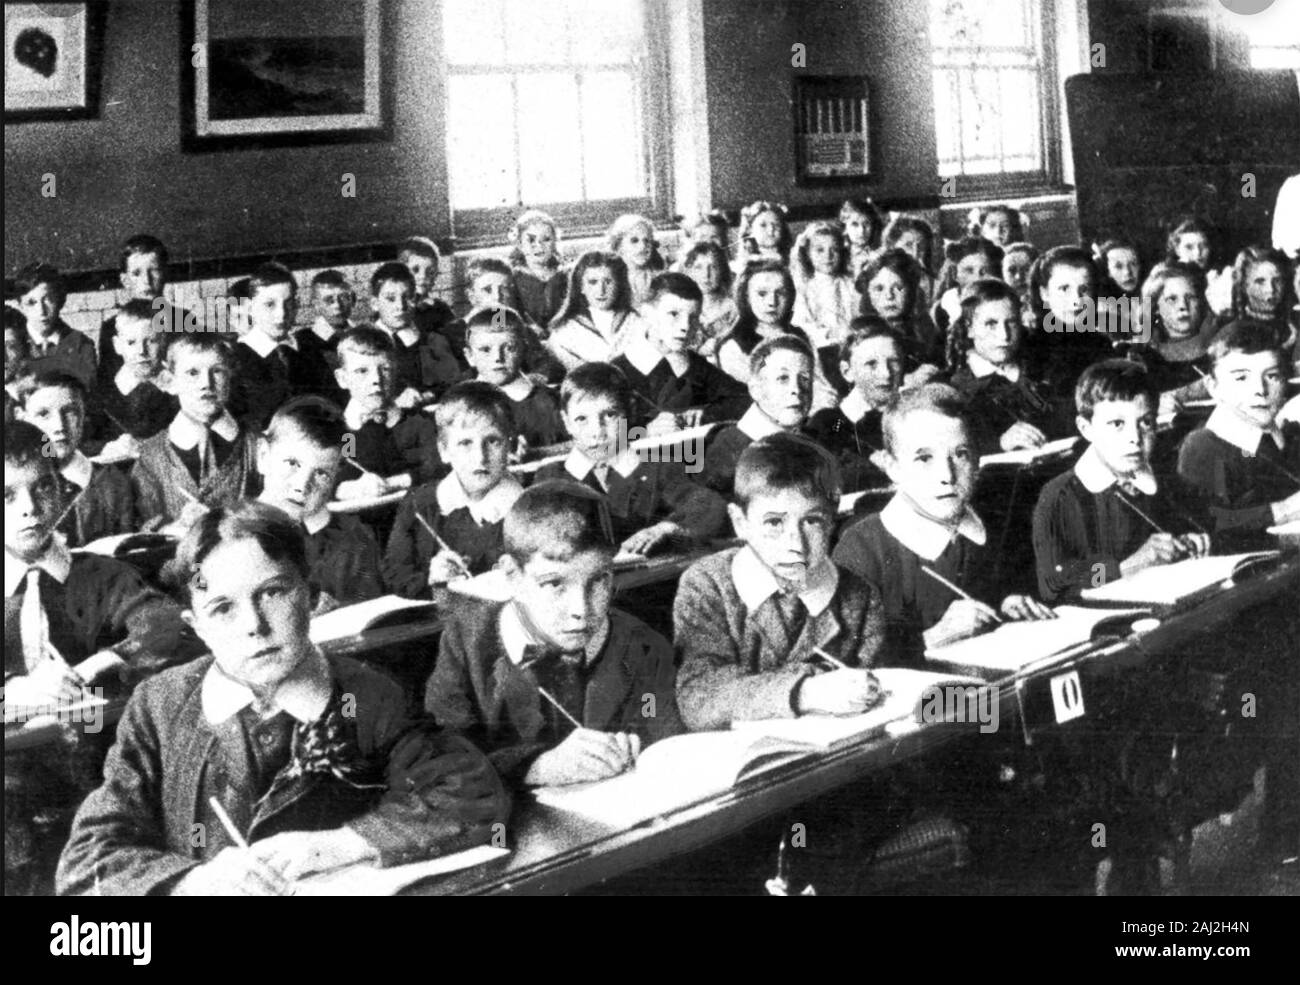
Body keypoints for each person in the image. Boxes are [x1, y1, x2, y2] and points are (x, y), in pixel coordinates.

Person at [55, 500, 509, 896]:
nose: (254, 624)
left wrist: (340, 844)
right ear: (197, 627)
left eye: (273, 592)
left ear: (310, 597)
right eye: (223, 608)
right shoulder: (158, 706)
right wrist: (192, 882)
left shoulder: (368, 696)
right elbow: (87, 860)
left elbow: (472, 791)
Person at [426, 480, 682, 787]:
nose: (581, 609)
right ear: (512, 576)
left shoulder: (641, 646)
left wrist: (643, 746)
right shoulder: (466, 646)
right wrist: (535, 766)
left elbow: (665, 739)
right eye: (554, 584)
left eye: (598, 581)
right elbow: (441, 756)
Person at [674, 433, 887, 730]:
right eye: (774, 522)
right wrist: (803, 692)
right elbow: (700, 697)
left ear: (832, 521)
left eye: (812, 521)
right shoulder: (708, 585)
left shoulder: (858, 595)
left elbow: (875, 688)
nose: (795, 543)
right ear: (740, 523)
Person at [833, 385, 1054, 666]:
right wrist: (934, 636)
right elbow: (848, 657)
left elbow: (1022, 587)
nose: (946, 475)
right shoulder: (862, 548)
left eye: (960, 454)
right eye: (924, 458)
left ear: (977, 461)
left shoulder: (998, 524)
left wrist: (1010, 605)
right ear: (893, 467)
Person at [1032, 360, 1210, 603]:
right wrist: (1127, 566)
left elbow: (1195, 524)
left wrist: (1191, 541)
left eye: (1146, 422)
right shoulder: (1060, 495)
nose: (1134, 438)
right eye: (1117, 424)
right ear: (1086, 428)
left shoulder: (1164, 478)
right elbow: (1053, 583)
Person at [537, 362, 728, 554]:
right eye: (582, 419)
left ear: (630, 411)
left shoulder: (658, 468)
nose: (597, 432)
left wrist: (665, 528)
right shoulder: (550, 478)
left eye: (610, 415)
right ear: (566, 422)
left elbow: (707, 506)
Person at [383, 382, 524, 598]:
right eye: (465, 443)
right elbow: (394, 575)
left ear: (510, 446)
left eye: (493, 441)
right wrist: (431, 577)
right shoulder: (418, 503)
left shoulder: (529, 509)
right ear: (444, 451)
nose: (480, 457)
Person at [257, 397, 385, 610]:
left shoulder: (356, 541)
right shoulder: (221, 532)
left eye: (321, 473)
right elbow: (197, 588)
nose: (302, 485)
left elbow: (373, 613)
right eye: (292, 463)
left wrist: (343, 609)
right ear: (262, 455)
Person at [1176, 320, 1300, 537]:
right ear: (1213, 387)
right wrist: (1284, 510)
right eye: (1242, 378)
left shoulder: (1290, 434)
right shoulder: (1203, 446)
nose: (1260, 390)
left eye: (1272, 376)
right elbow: (1210, 524)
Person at [130, 334, 258, 531]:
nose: (206, 383)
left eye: (217, 371)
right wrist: (178, 526)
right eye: (192, 372)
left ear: (230, 376)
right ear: (169, 381)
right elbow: (144, 528)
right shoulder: (150, 456)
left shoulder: (256, 446)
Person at [610, 272, 747, 432]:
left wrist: (706, 414)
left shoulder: (696, 365)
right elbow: (605, 439)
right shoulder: (616, 372)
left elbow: (743, 399)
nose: (685, 326)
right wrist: (645, 431)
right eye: (674, 314)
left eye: (693, 317)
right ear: (647, 314)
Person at [14, 371, 134, 547]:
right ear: (21, 417)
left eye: (70, 412)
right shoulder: (11, 484)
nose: (59, 426)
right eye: (43, 414)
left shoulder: (112, 482)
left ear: (84, 413)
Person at [703, 335, 814, 498]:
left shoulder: (811, 438)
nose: (796, 389)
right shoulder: (731, 448)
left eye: (805, 378)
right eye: (783, 378)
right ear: (756, 389)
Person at [11, 262, 95, 388]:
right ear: (20, 306)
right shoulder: (12, 344)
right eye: (31, 303)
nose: (41, 311)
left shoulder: (81, 344)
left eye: (48, 299)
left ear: (61, 300)